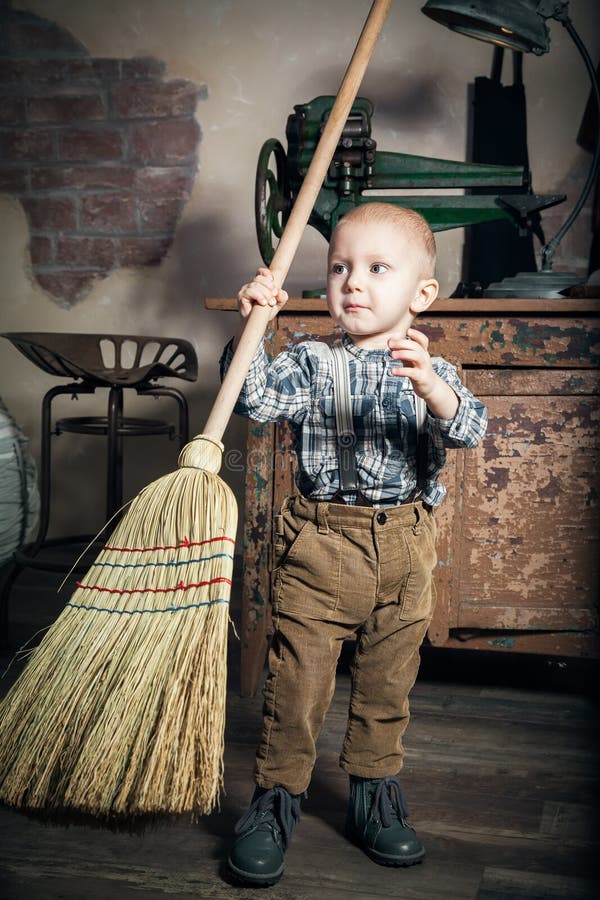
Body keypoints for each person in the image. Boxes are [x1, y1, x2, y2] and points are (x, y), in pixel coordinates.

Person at [220, 202, 488, 887]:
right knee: (298, 679)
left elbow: (468, 431)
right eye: (339, 267)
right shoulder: (309, 362)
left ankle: (375, 793)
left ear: (421, 294)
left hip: (405, 550)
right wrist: (255, 328)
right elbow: (252, 399)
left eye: (376, 269)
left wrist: (431, 386)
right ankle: (276, 800)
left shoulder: (434, 367)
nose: (353, 283)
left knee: (386, 683)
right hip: (320, 546)